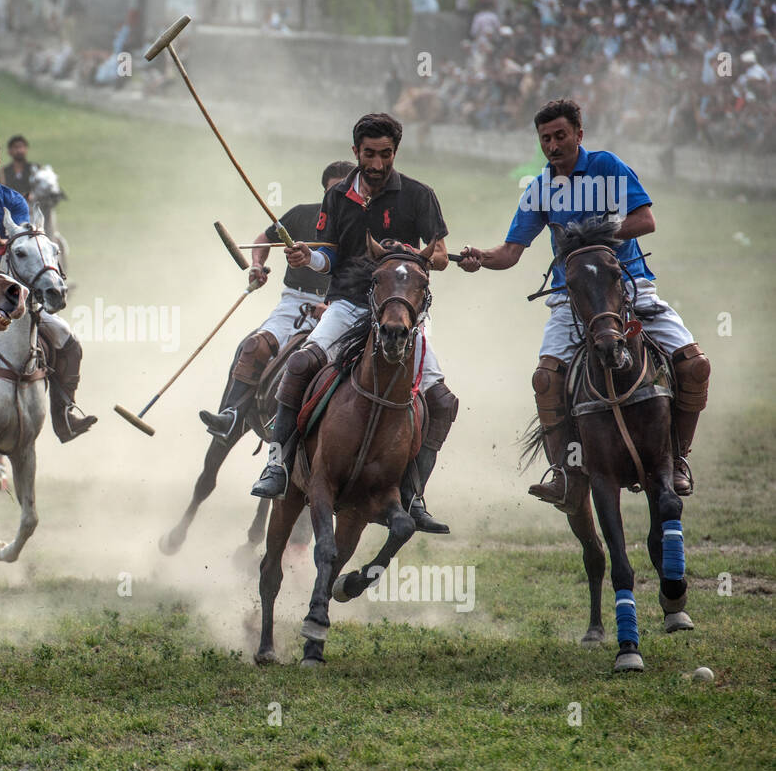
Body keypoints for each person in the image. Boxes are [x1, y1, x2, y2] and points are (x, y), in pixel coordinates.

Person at [456, 98, 709, 510]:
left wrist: (597, 235)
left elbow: (645, 220)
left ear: (579, 134)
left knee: (695, 365)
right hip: (570, 299)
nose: (553, 146)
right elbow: (510, 252)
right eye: (545, 139)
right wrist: (477, 259)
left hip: (629, 286)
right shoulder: (539, 188)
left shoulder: (607, 166)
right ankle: (562, 471)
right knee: (545, 379)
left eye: (560, 136)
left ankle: (678, 458)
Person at [251, 114, 459, 535]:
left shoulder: (420, 195)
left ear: (395, 152)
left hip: (401, 311)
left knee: (442, 401)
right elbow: (329, 257)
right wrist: (305, 258)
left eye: (386, 154)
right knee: (298, 364)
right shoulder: (339, 197)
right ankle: (278, 461)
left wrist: (408, 253)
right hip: (347, 303)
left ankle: (413, 493)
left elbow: (438, 257)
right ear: (355, 153)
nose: (378, 164)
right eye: (369, 154)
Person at [0, 135, 96, 442]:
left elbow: (24, 243)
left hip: (9, 298)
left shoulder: (13, 201)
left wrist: (1, 243)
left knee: (69, 343)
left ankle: (64, 414)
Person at [197, 161, 339, 445]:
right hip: (294, 302)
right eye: (332, 192)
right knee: (255, 346)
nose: (337, 198)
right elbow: (264, 238)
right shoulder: (303, 214)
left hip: (338, 307)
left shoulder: (361, 227)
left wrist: (334, 306)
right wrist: (257, 265)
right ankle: (232, 416)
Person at [0, 134, 37, 201]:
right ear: (9, 151)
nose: (19, 150)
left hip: (33, 207)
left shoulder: (35, 169)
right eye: (16, 147)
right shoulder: (2, 173)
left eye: (22, 147)